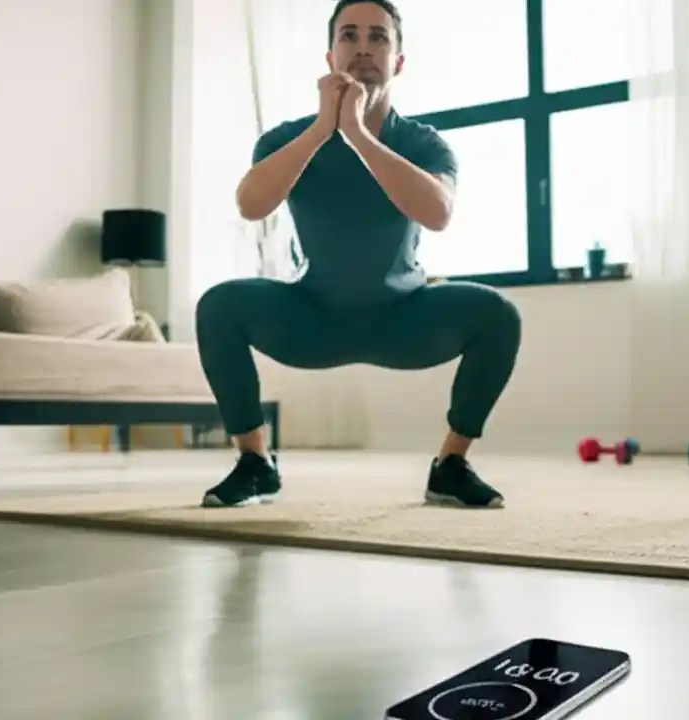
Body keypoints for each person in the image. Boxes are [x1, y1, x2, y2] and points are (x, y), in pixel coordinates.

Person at [195, 0, 521, 509]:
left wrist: (358, 135)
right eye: (350, 36)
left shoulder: (425, 143)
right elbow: (251, 204)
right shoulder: (287, 138)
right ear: (331, 57)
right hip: (315, 319)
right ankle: (256, 463)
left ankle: (451, 466)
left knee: (498, 315)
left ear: (398, 61)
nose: (364, 48)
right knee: (218, 306)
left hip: (404, 319)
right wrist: (323, 130)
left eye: (379, 38)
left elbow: (437, 213)